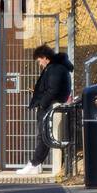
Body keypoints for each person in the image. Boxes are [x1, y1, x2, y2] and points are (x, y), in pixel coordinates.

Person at [17, 44, 73, 175]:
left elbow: (53, 89)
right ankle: (36, 164)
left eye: (39, 61)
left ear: (44, 57)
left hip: (48, 106)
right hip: (49, 105)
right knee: (43, 135)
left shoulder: (54, 69)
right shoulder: (57, 68)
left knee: (43, 135)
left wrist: (42, 103)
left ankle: (34, 164)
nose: (39, 64)